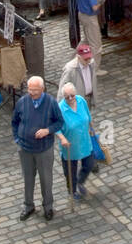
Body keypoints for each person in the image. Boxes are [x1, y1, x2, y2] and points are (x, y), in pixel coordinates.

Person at [12, 75, 64, 223]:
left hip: (43, 150)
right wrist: (17, 139)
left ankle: (48, 207)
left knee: (46, 179)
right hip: (25, 149)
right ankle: (28, 206)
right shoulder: (22, 102)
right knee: (28, 179)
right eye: (30, 89)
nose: (32, 93)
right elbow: (15, 121)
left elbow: (59, 122)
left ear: (42, 89)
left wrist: (48, 130)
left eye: (35, 90)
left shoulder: (51, 103)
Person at [56, 83, 94, 200]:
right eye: (67, 97)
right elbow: (56, 127)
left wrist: (91, 128)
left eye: (72, 95)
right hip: (70, 145)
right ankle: (72, 191)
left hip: (84, 140)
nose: (71, 99)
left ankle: (80, 181)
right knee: (70, 173)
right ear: (64, 97)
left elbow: (88, 116)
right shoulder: (60, 109)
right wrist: (62, 138)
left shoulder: (81, 101)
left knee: (89, 164)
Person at [73, 0, 105, 76]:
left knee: (86, 39)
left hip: (81, 14)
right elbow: (95, 7)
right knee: (96, 43)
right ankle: (95, 69)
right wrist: (101, 0)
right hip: (90, 17)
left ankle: (74, 58)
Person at [57, 42, 96, 109]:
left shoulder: (91, 63)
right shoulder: (70, 69)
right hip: (76, 103)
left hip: (88, 99)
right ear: (78, 57)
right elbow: (62, 89)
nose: (88, 61)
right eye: (86, 59)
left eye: (89, 58)